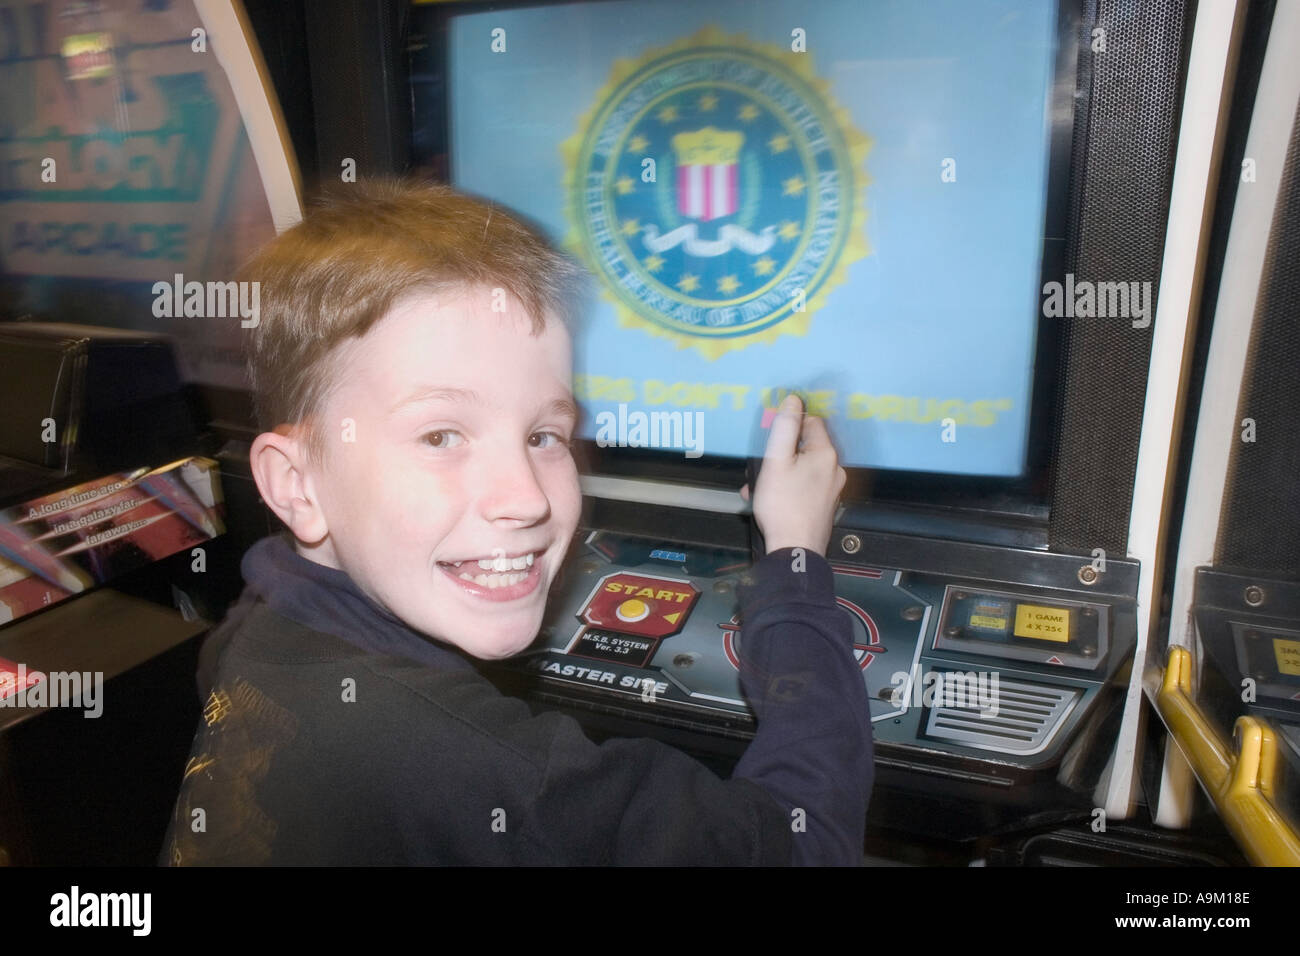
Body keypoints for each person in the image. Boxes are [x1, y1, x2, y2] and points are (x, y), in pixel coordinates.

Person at [162, 180, 872, 865]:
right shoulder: (501, 779)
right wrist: (795, 559)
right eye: (440, 436)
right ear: (297, 485)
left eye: (544, 436)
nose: (526, 499)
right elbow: (804, 842)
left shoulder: (250, 633)